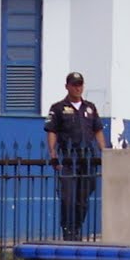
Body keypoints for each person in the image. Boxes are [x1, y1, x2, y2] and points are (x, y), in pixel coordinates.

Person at [44, 71, 107, 241]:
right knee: (68, 199)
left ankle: (77, 229)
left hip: (87, 159)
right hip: (68, 159)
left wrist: (105, 152)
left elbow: (98, 131)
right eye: (74, 85)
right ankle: (68, 231)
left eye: (80, 84)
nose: (77, 88)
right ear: (67, 86)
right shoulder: (57, 108)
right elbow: (51, 131)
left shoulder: (90, 108)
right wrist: (53, 154)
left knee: (83, 200)